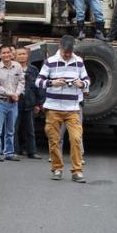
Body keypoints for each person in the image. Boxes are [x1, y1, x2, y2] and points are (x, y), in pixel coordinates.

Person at [36, 35, 90, 183]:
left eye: (70, 52)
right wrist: (53, 83)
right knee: (54, 140)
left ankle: (77, 171)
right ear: (60, 47)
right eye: (65, 52)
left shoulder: (78, 62)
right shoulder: (50, 62)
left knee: (76, 138)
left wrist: (81, 84)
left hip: (73, 108)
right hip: (53, 108)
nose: (67, 55)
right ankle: (57, 168)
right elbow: (38, 81)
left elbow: (87, 80)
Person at [0, 45, 25, 162]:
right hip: (1, 101)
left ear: (12, 54)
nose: (6, 55)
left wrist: (17, 93)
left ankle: (9, 152)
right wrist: (10, 93)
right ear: (0, 55)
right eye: (3, 53)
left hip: (14, 102)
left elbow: (21, 81)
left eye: (8, 52)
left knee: (11, 130)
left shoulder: (18, 66)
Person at [15, 47, 43, 159]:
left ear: (27, 56)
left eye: (24, 54)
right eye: (19, 54)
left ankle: (32, 151)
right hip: (15, 102)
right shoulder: (13, 69)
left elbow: (38, 88)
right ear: (15, 56)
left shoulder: (33, 70)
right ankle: (15, 151)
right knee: (15, 128)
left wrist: (38, 103)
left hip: (30, 103)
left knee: (30, 129)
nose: (22, 56)